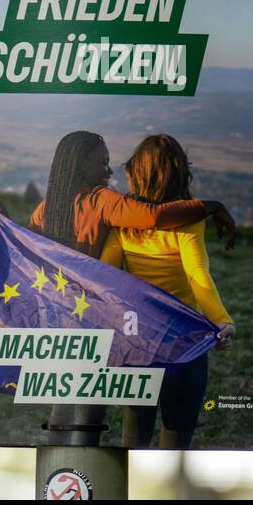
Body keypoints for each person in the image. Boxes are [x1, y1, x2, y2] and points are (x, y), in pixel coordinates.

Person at [0, 130, 237, 445]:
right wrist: (210, 206)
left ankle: (68, 476)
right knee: (109, 422)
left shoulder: (49, 207)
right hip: (130, 331)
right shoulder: (103, 201)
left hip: (80, 328)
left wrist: (1, 223)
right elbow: (159, 224)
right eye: (103, 163)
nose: (110, 171)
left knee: (77, 413)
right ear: (82, 167)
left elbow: (35, 251)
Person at [99, 134, 234, 449]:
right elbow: (197, 274)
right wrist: (221, 319)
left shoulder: (123, 221)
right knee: (175, 444)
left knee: (133, 442)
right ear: (178, 174)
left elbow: (105, 275)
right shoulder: (188, 222)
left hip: (137, 343)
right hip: (183, 342)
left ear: (138, 174)